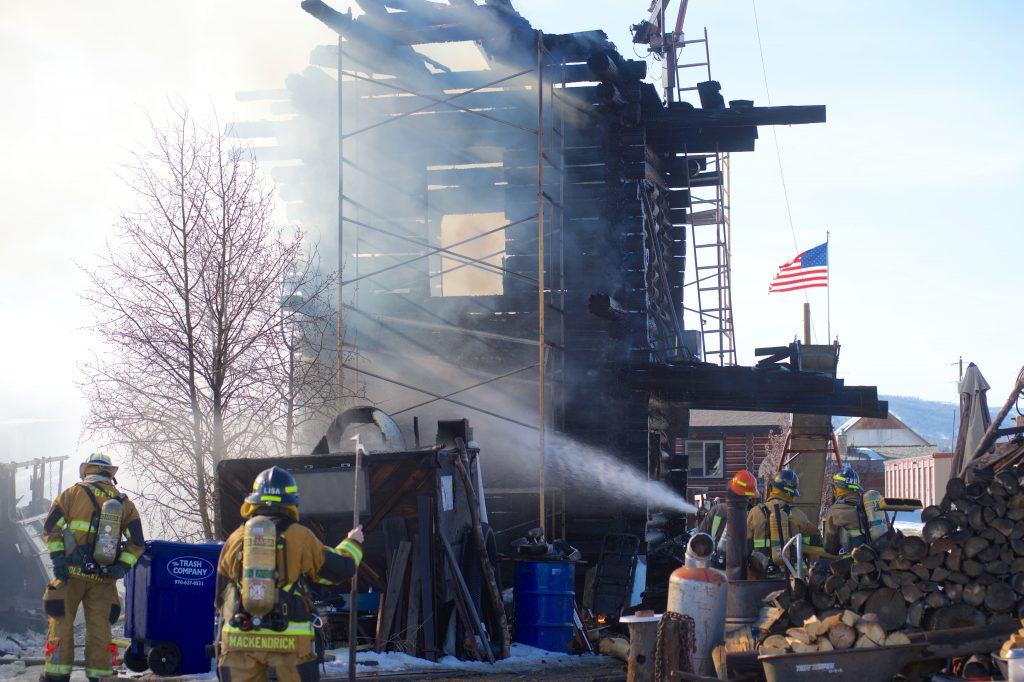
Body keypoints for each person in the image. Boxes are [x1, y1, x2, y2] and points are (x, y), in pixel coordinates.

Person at [216, 466, 364, 682]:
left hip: (240, 639)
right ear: (291, 502)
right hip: (289, 640)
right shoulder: (300, 536)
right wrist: (353, 542)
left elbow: (220, 594)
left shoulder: (235, 538)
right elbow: (340, 569)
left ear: (253, 501)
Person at [41, 452, 145, 682]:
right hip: (104, 579)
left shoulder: (71, 494)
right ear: (110, 474)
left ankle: (56, 676)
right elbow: (137, 544)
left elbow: (51, 529)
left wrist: (58, 561)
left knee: (61, 623)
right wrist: (119, 569)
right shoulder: (125, 504)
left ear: (87, 470)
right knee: (100, 630)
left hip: (70, 575)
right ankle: (100, 677)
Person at [747, 468, 825, 575]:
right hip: (792, 576)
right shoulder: (798, 515)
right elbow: (815, 544)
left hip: (760, 574)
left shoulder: (755, 512)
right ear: (791, 493)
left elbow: (745, 543)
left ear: (772, 488)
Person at [697, 470, 760, 565]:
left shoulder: (717, 510)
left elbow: (699, 539)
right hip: (741, 572)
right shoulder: (754, 514)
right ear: (750, 497)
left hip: (713, 570)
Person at [822, 465, 869, 555]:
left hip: (849, 562)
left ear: (837, 489)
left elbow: (830, 548)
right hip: (877, 557)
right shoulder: (871, 505)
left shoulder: (835, 511)